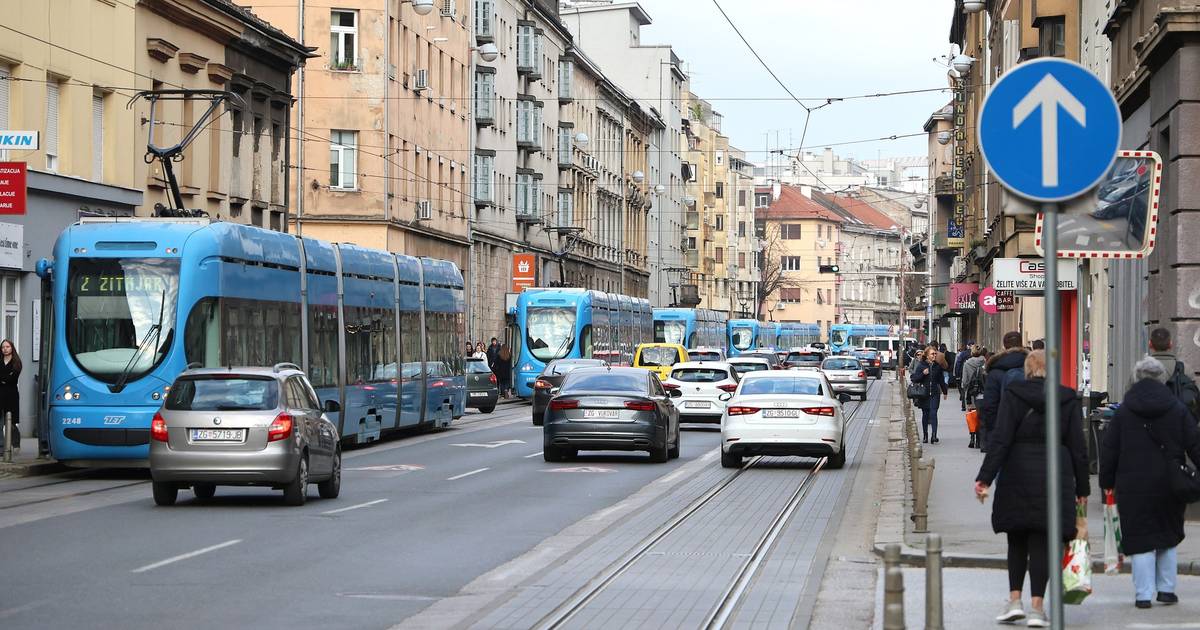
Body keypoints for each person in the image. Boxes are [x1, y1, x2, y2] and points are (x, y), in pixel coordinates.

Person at [974, 350, 1089, 627]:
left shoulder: (1014, 395)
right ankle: (1037, 607)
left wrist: (985, 478)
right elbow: (1078, 447)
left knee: (1017, 538)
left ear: (1027, 370)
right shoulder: (1067, 398)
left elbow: (1000, 439)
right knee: (1043, 540)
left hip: (1018, 472)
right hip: (1055, 474)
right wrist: (1082, 488)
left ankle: (1015, 600)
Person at [1101, 356, 1200, 609]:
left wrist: (1107, 482)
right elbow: (1194, 443)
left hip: (1133, 482)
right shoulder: (1176, 408)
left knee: (1140, 537)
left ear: (1137, 377)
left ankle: (1143, 594)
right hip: (1169, 481)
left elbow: (1110, 449)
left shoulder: (1124, 411)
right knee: (1167, 533)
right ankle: (1166, 590)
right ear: (1162, 378)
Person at [979, 331, 1028, 453]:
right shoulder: (1031, 367)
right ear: (1021, 344)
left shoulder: (995, 370)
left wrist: (990, 434)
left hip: (1002, 428)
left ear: (1004, 346)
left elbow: (989, 406)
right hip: (1028, 429)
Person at [1145, 328, 1200, 422]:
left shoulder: (1140, 370)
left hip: (1149, 430)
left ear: (1150, 344)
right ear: (1170, 344)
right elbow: (1195, 402)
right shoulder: (1185, 369)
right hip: (1179, 430)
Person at [910, 346, 948, 443]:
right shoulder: (921, 365)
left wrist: (945, 391)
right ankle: (925, 435)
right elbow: (914, 378)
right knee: (925, 414)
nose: (934, 355)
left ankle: (934, 435)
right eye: (932, 354)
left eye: (935, 354)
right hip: (924, 394)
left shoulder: (937, 366)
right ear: (927, 356)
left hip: (935, 393)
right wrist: (923, 373)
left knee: (934, 413)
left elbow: (941, 380)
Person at [961, 347, 988, 447]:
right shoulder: (984, 362)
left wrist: (964, 389)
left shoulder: (967, 364)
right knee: (980, 416)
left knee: (971, 416)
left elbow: (964, 381)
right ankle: (979, 440)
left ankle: (972, 437)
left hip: (970, 392)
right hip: (981, 392)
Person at [0, 339, 19, 451]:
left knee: (11, 422)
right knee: (0, 421)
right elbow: (7, 378)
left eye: (7, 347)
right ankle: (2, 448)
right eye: (3, 347)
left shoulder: (16, 362)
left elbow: (12, 378)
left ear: (12, 348)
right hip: (0, 394)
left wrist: (4, 379)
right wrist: (5, 379)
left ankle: (16, 442)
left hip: (11, 395)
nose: (5, 349)